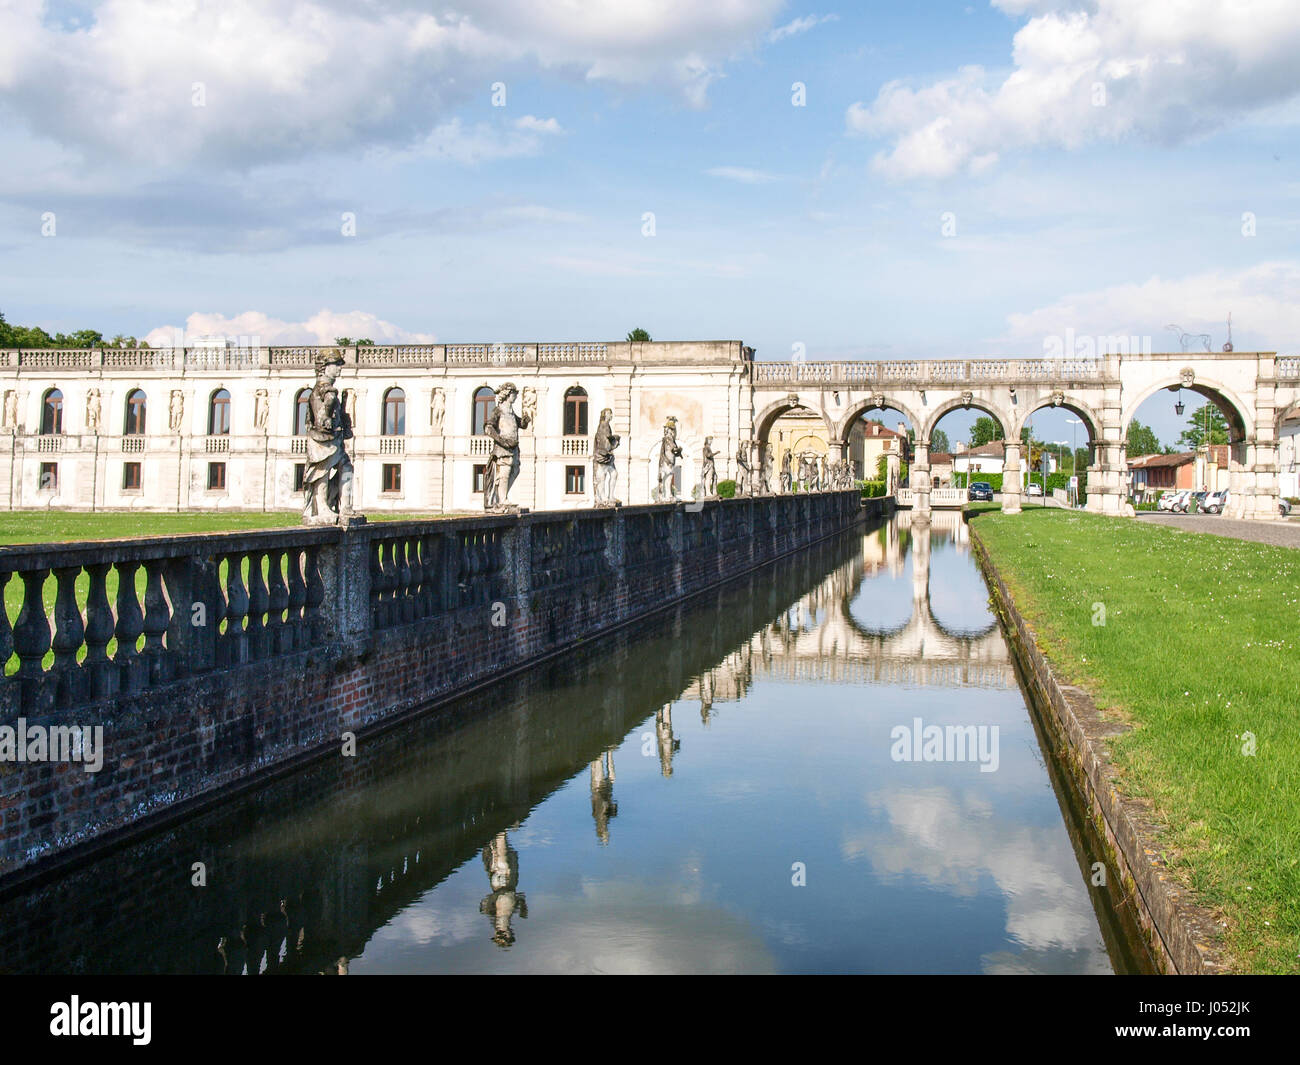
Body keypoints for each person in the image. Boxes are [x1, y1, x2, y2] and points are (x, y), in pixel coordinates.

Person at [302, 351, 353, 523]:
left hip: (334, 440)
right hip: (321, 440)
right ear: (324, 367)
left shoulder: (330, 392)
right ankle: (322, 508)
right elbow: (320, 419)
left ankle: (345, 507)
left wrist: (342, 423)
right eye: (336, 364)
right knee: (321, 472)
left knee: (346, 468)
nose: (339, 369)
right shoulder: (322, 391)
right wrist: (326, 418)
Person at [482, 381, 529, 511]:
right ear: (508, 394)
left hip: (513, 447)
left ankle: (502, 497)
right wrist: (502, 441)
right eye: (514, 394)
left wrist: (525, 421)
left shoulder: (511, 412)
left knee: (515, 470)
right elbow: (488, 428)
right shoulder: (498, 410)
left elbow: (520, 424)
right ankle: (502, 500)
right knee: (504, 473)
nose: (516, 396)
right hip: (503, 449)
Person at [592, 407, 620, 505]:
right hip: (602, 455)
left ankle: (610, 496)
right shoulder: (603, 425)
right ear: (605, 415)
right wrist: (614, 441)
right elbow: (604, 440)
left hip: (608, 455)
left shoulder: (607, 425)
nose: (611, 415)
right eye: (609, 414)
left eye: (611, 414)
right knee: (602, 476)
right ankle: (603, 497)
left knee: (614, 474)